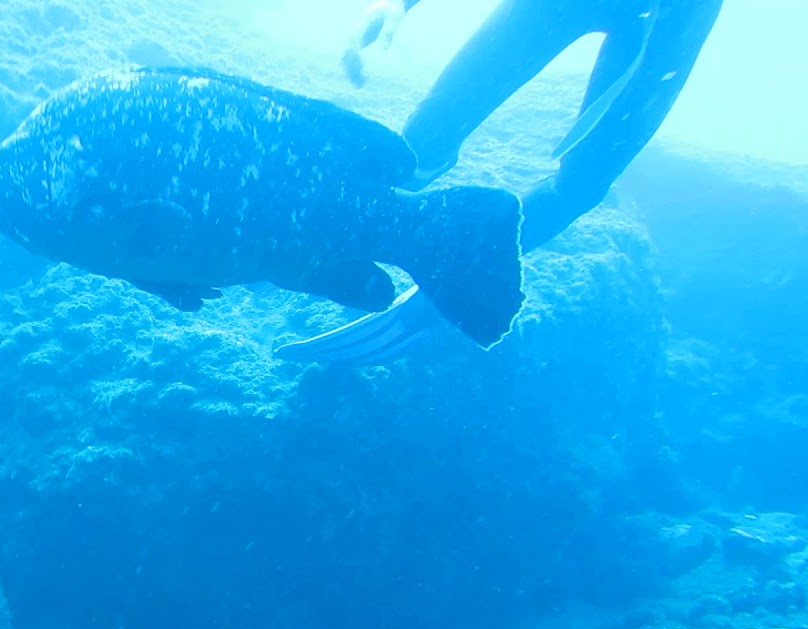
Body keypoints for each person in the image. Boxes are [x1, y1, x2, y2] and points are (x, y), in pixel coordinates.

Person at [276, 0, 723, 364]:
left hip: (674, 15)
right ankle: (314, 234)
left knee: (583, 181)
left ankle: (445, 290)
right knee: (421, 145)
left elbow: (579, 189)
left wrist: (459, 282)